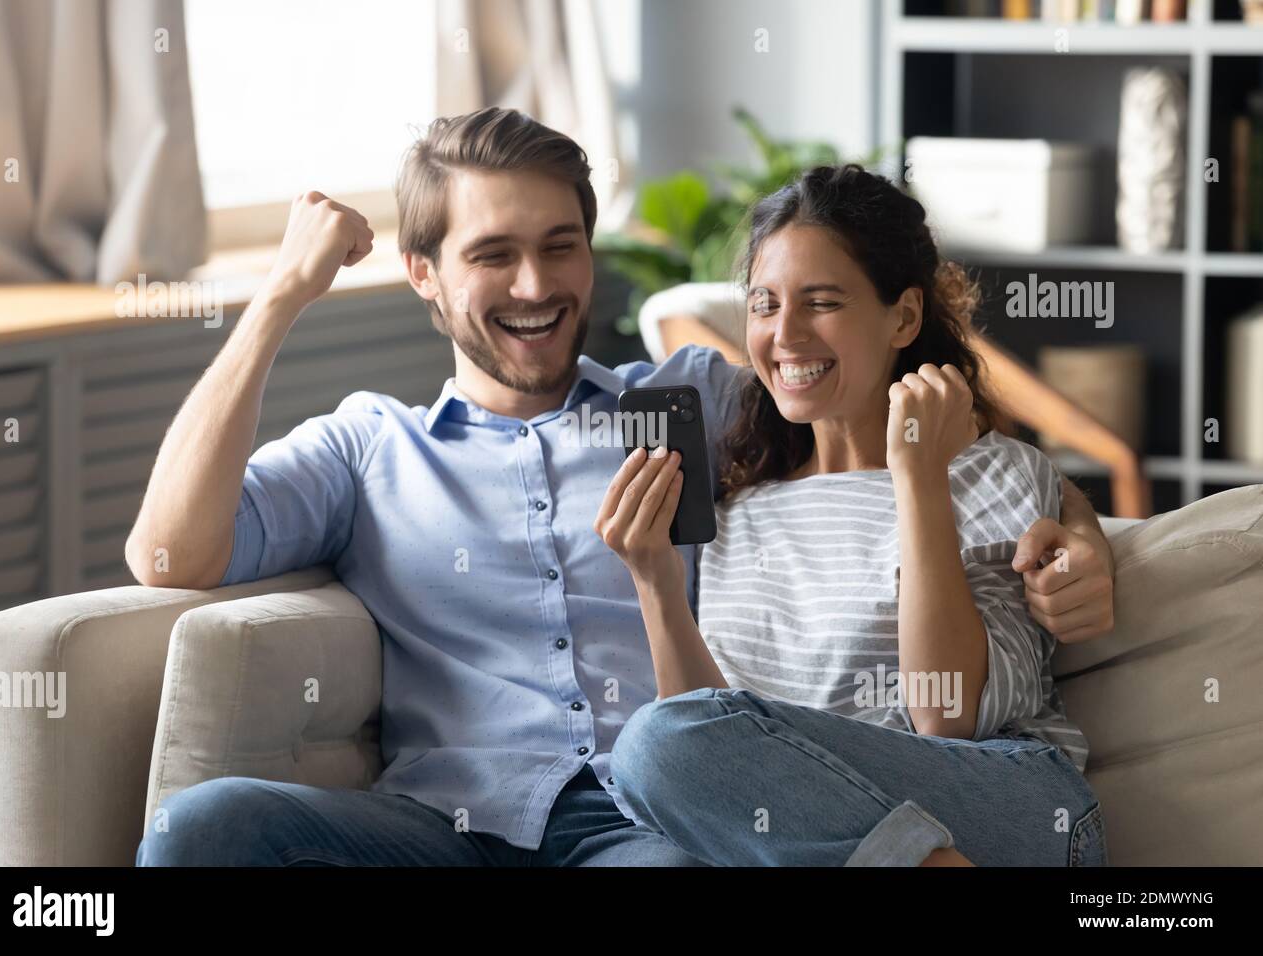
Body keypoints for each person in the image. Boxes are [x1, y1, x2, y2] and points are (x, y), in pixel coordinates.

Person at [130, 109, 1114, 866]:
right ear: (423, 273)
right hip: (438, 818)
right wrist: (276, 298)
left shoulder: (680, 403)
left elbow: (880, 420)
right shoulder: (370, 448)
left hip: (645, 822)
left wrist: (1082, 526)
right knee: (206, 823)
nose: (533, 285)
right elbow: (169, 553)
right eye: (492, 254)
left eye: (559, 244)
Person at [598, 164, 1108, 866]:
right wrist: (655, 578)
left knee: (651, 744)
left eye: (822, 302)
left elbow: (946, 713)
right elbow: (712, 758)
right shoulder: (741, 511)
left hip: (1015, 813)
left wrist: (919, 478)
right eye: (765, 304)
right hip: (836, 840)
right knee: (662, 751)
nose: (785, 334)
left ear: (903, 316)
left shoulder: (996, 475)